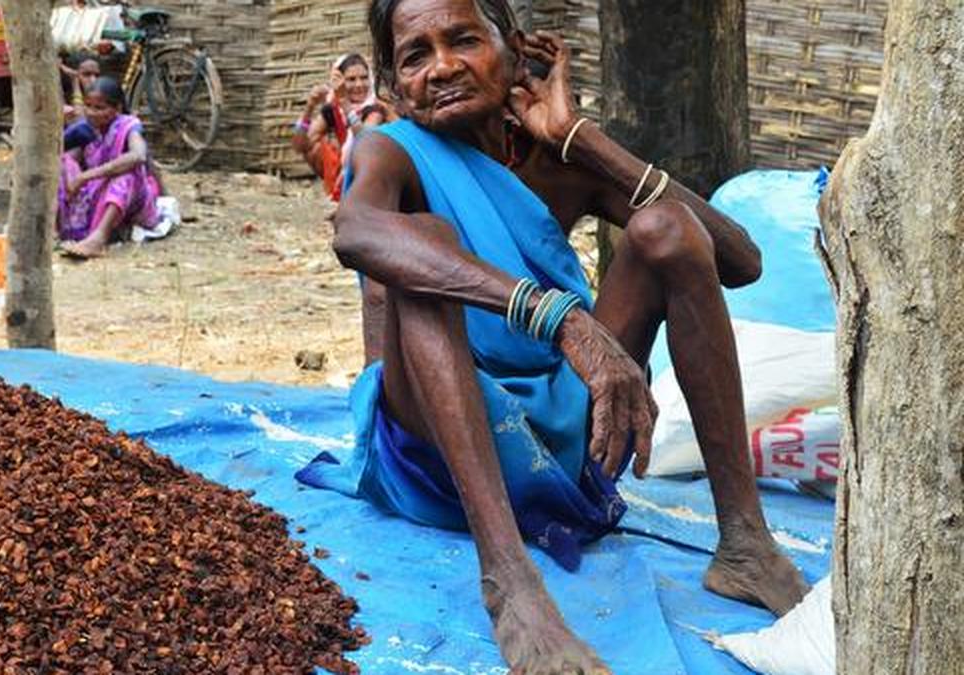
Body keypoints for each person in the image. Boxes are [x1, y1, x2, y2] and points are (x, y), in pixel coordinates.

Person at [295, 0, 810, 671]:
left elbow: (740, 260)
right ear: (394, 86)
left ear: (515, 54)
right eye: (416, 56)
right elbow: (357, 233)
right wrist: (557, 315)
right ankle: (510, 582)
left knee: (668, 228)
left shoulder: (557, 157)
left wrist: (582, 138)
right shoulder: (389, 152)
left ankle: (745, 541)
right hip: (433, 449)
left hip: (561, 441)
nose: (443, 67)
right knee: (422, 246)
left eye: (463, 41)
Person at [57, 76, 161, 259]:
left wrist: (84, 177)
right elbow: (63, 158)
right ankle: (56, 230)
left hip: (133, 200)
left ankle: (98, 239)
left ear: (117, 109)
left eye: (99, 108)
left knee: (126, 175)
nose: (91, 112)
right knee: (61, 163)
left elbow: (138, 156)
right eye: (88, 106)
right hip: (97, 194)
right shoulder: (86, 130)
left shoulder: (128, 125)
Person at [291, 53, 392, 202]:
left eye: (364, 78)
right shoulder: (334, 109)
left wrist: (344, 102)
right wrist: (310, 107)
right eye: (351, 79)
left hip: (379, 174)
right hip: (352, 172)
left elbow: (365, 141)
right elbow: (301, 147)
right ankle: (342, 192)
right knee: (316, 148)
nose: (359, 85)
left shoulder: (376, 108)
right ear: (340, 82)